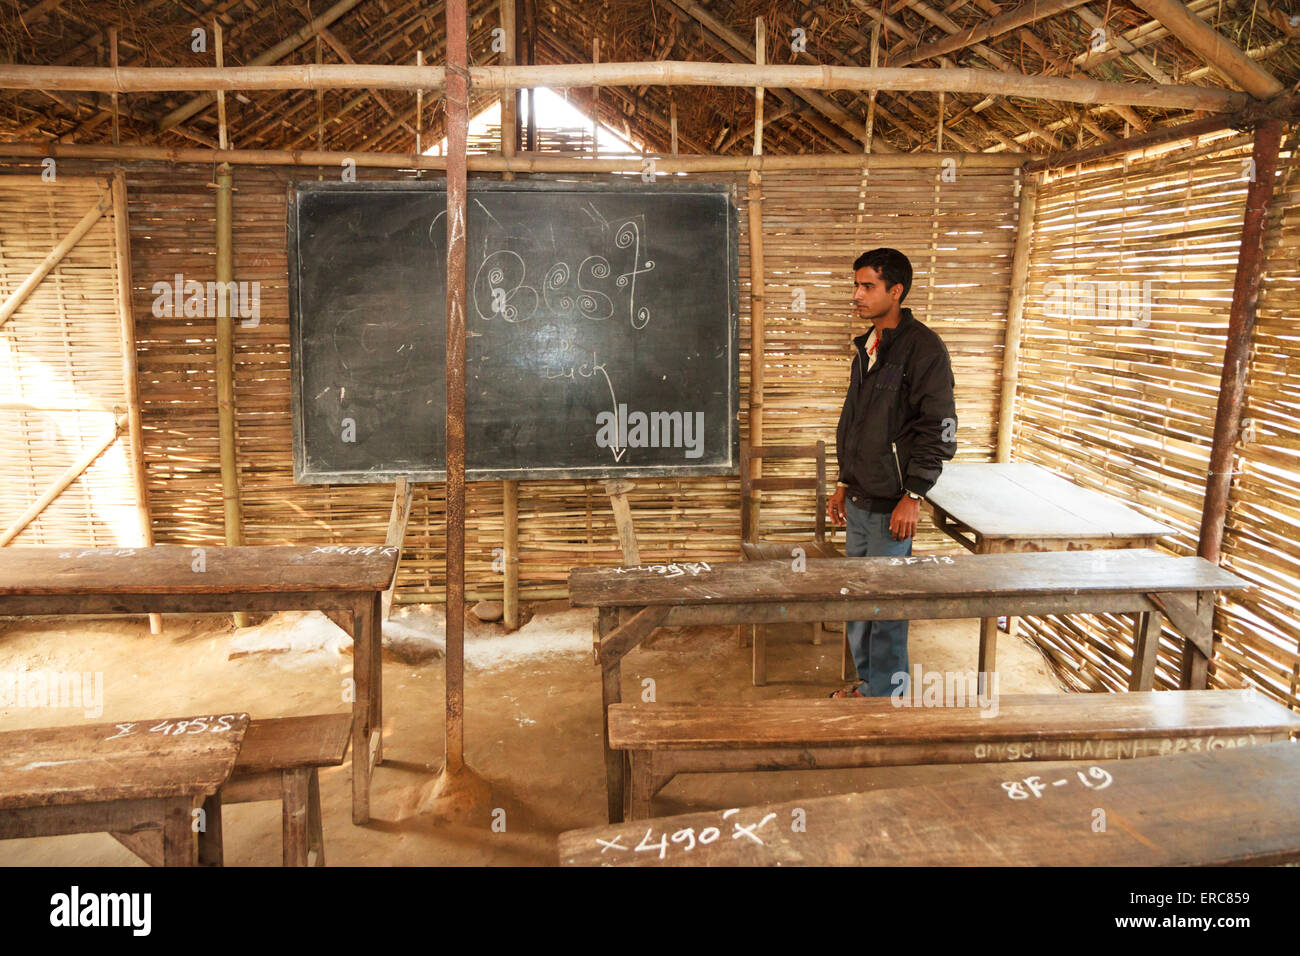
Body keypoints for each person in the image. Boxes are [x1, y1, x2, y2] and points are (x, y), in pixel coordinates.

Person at [827, 248, 957, 698]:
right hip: (860, 500)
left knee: (884, 604)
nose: (857, 295)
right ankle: (871, 687)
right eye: (856, 285)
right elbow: (856, 422)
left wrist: (914, 494)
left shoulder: (924, 349)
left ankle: (887, 694)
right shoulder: (867, 347)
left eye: (867, 286)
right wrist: (844, 482)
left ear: (895, 291)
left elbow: (938, 429)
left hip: (893, 504)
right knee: (857, 602)